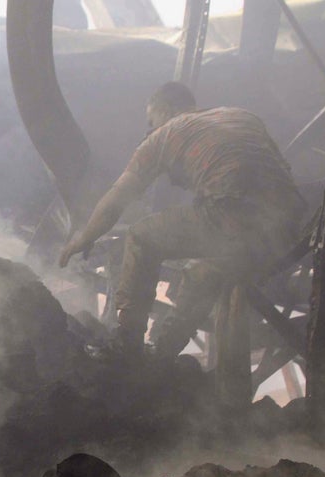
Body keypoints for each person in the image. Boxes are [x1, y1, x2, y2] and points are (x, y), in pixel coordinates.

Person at [59, 81, 305, 360]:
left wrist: (85, 236)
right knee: (201, 274)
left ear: (166, 111)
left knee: (142, 236)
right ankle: (162, 355)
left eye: (151, 121)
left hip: (232, 215)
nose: (149, 130)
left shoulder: (165, 134)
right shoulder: (240, 116)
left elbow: (117, 198)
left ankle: (127, 343)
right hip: (287, 228)